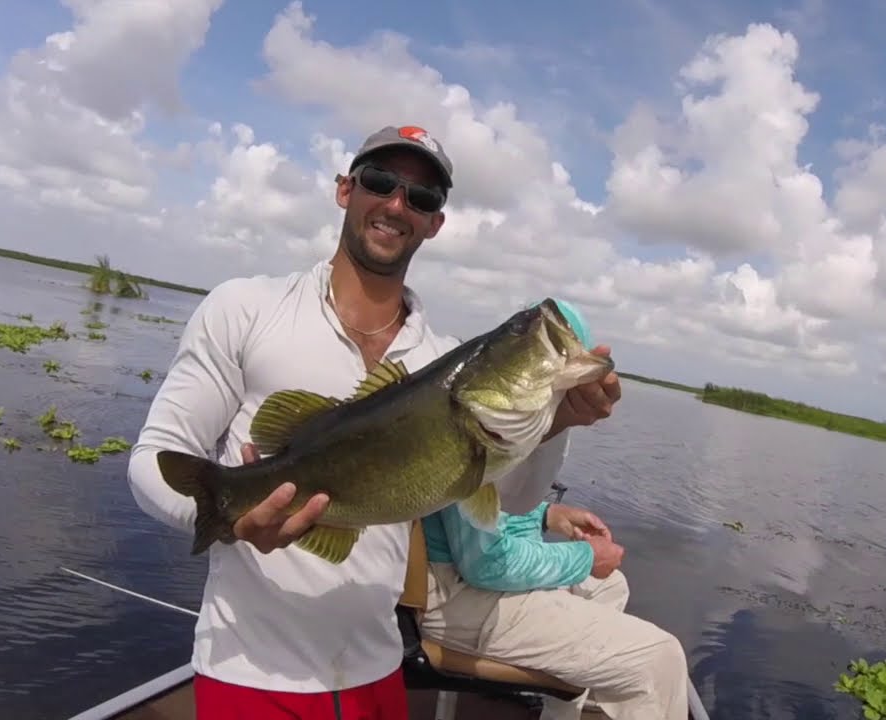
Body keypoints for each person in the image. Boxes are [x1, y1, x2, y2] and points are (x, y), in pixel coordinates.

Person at [126, 124, 622, 719]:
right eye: (381, 182)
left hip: (375, 671)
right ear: (345, 189)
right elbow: (153, 461)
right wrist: (230, 518)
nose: (396, 205)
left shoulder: (439, 354)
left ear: (435, 222)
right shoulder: (244, 308)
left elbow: (505, 499)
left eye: (422, 197)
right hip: (250, 670)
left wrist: (555, 422)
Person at [420, 497, 690, 719]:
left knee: (609, 585)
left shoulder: (483, 438)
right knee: (660, 658)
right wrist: (585, 557)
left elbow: (483, 509)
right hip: (451, 598)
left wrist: (544, 515)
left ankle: (561, 713)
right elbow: (487, 564)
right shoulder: (476, 437)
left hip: (463, 578)